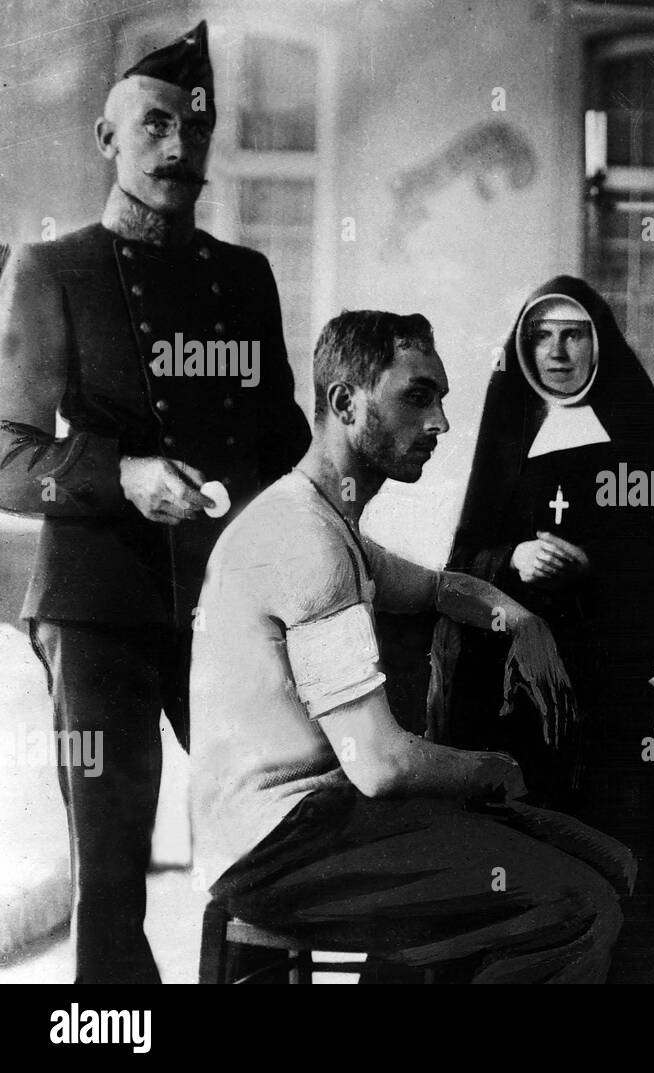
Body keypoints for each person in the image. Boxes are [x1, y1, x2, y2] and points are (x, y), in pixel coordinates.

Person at [0, 22, 311, 983]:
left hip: (226, 607)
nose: (179, 147)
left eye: (196, 129)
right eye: (155, 126)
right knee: (112, 865)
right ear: (108, 138)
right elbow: (9, 455)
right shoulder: (55, 270)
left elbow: (282, 435)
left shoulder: (243, 279)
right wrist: (124, 474)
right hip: (100, 609)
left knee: (274, 827)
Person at [190, 309, 631, 984]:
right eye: (417, 397)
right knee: (577, 901)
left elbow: (435, 588)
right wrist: (491, 768)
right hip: (276, 844)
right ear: (345, 401)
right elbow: (380, 763)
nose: (440, 424)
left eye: (442, 399)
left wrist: (521, 622)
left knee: (609, 861)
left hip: (319, 817)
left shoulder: (325, 517)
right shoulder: (305, 539)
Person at [445, 277, 654, 981]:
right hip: (528, 689)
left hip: (619, 680)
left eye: (573, 334)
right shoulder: (509, 432)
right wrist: (514, 557)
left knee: (627, 842)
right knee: (540, 858)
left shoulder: (640, 431)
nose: (555, 351)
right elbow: (462, 560)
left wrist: (597, 562)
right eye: (541, 336)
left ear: (600, 341)